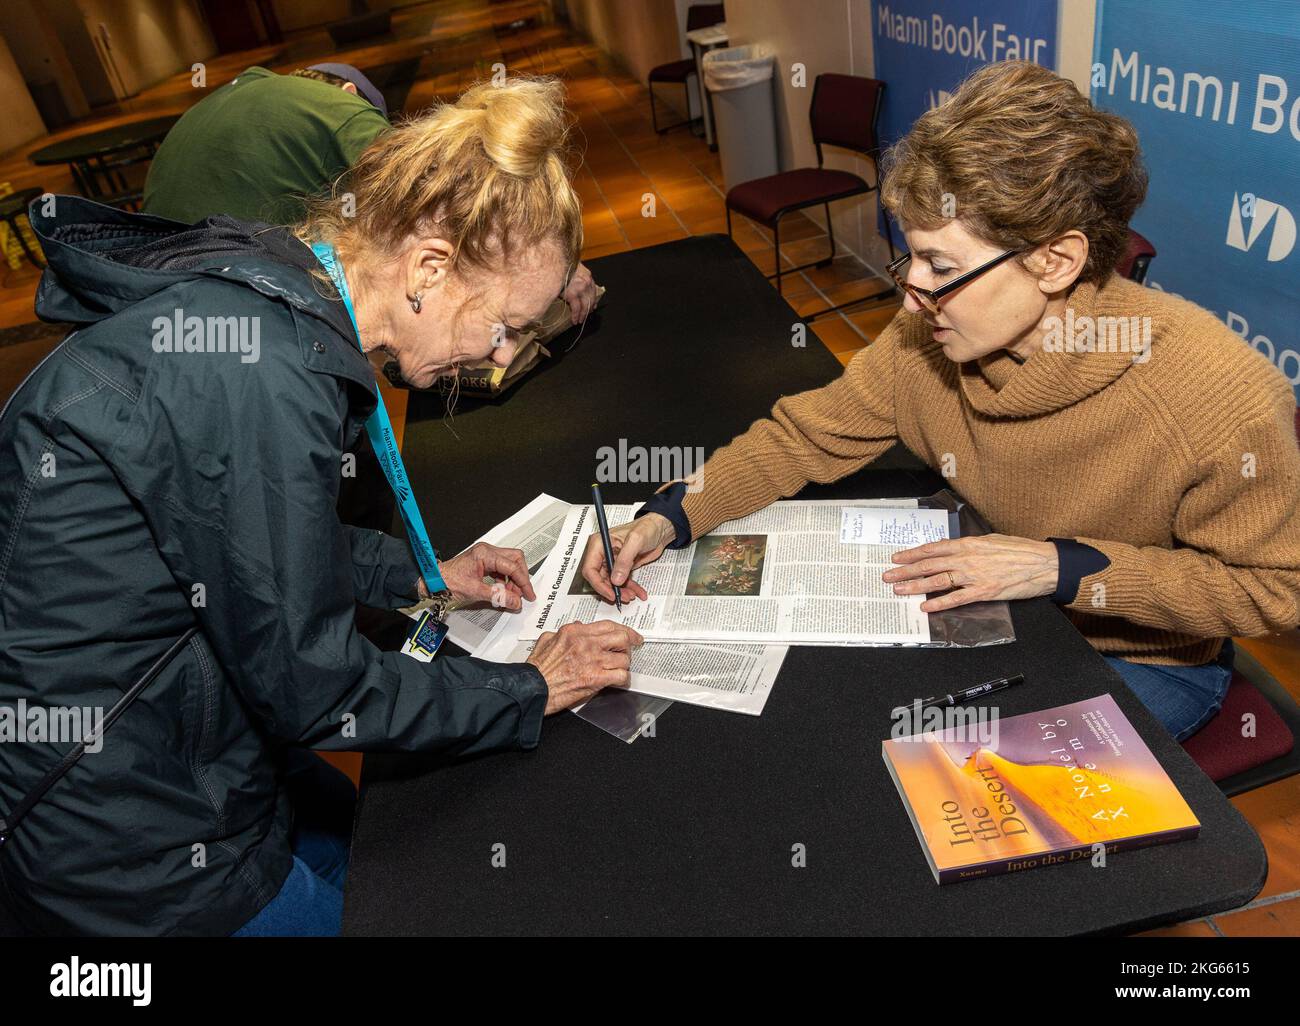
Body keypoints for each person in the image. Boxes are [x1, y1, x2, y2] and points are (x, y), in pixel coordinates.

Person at [0, 76, 640, 937]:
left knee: (370, 843)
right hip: (118, 825)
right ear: (427, 270)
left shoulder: (280, 304)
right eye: (504, 328)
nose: (498, 360)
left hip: (186, 737)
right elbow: (316, 687)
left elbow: (243, 547)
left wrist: (422, 571)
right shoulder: (260, 372)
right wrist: (528, 687)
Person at [582, 60, 1300, 742]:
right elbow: (803, 438)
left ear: (1056, 261)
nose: (911, 292)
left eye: (941, 266)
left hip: (1142, 660)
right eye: (912, 256)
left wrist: (1062, 567)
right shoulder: (930, 332)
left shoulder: (1218, 400)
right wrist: (672, 514)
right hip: (1000, 613)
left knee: (957, 783)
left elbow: (1275, 591)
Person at [142, 63, 598, 324]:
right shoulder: (339, 108)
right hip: (232, 295)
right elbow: (441, 189)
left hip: (155, 294)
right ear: (348, 92)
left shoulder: (233, 100)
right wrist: (548, 261)